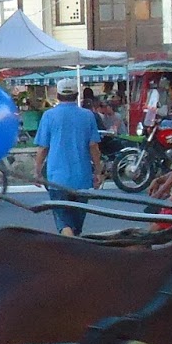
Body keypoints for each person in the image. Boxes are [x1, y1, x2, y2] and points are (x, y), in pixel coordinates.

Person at [33, 80, 105, 236]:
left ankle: (69, 244)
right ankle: (73, 243)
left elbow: (43, 148)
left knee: (64, 222)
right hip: (82, 177)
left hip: (57, 178)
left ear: (58, 96)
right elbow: (94, 147)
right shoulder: (88, 116)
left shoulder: (48, 116)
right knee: (77, 225)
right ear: (77, 95)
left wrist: (37, 172)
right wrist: (98, 172)